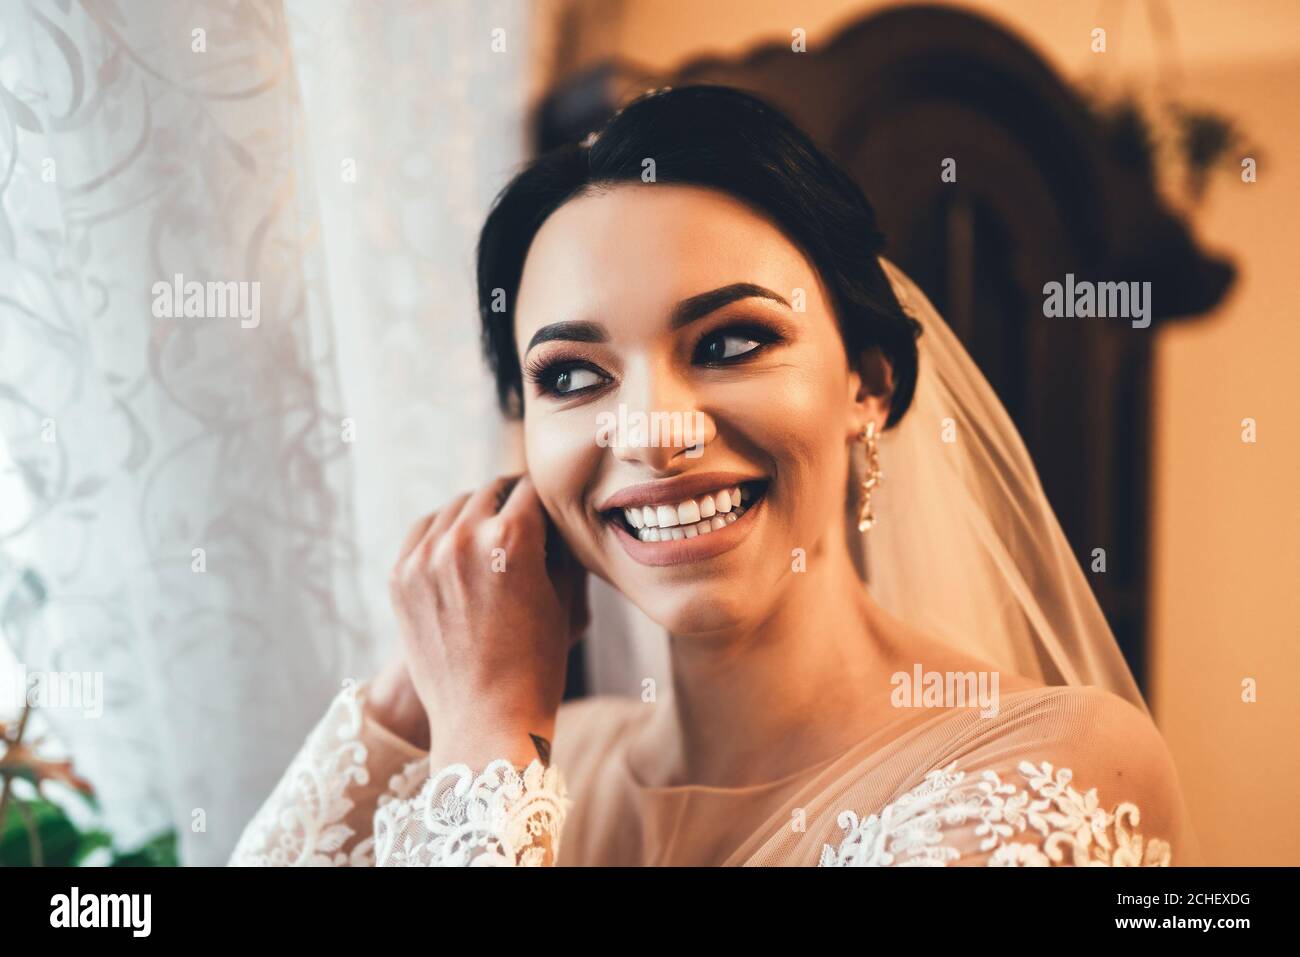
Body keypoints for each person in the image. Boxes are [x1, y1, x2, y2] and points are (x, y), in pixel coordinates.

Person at [228, 86, 1200, 867]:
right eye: (570, 376)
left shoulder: (1055, 762)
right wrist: (428, 684)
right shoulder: (570, 752)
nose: (652, 433)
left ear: (867, 384)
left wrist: (483, 743)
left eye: (731, 341)